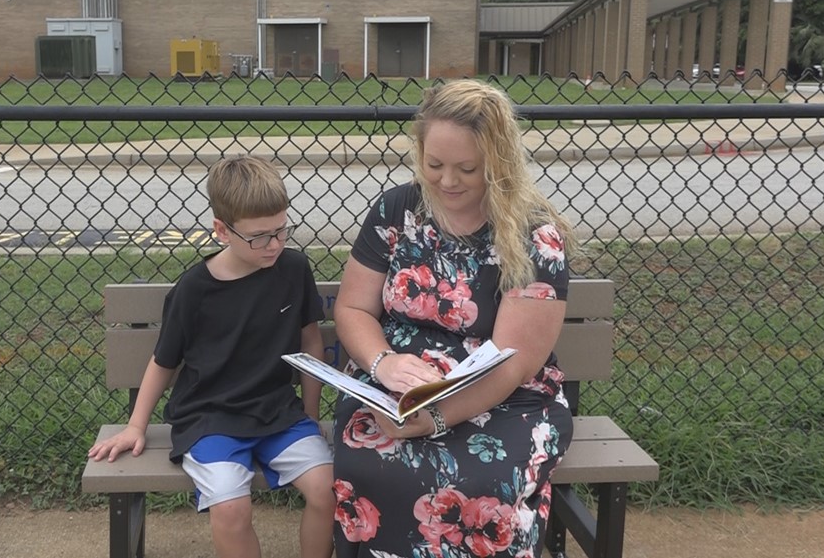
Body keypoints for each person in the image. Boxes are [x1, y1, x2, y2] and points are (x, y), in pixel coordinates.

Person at [331, 80, 576, 558]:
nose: (447, 182)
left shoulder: (533, 234)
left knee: (484, 484)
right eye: (434, 165)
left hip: (503, 397)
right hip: (396, 391)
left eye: (468, 168)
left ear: (498, 162)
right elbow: (353, 308)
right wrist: (382, 363)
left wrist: (438, 418)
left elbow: (515, 363)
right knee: (367, 466)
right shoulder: (395, 210)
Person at [87, 155, 335, 558]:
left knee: (328, 489)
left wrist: (310, 412)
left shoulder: (293, 268)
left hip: (278, 414)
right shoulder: (194, 290)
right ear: (222, 230)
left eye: (281, 231)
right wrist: (137, 425)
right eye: (258, 236)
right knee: (231, 509)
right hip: (209, 420)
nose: (273, 244)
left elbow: (310, 342)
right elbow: (163, 361)